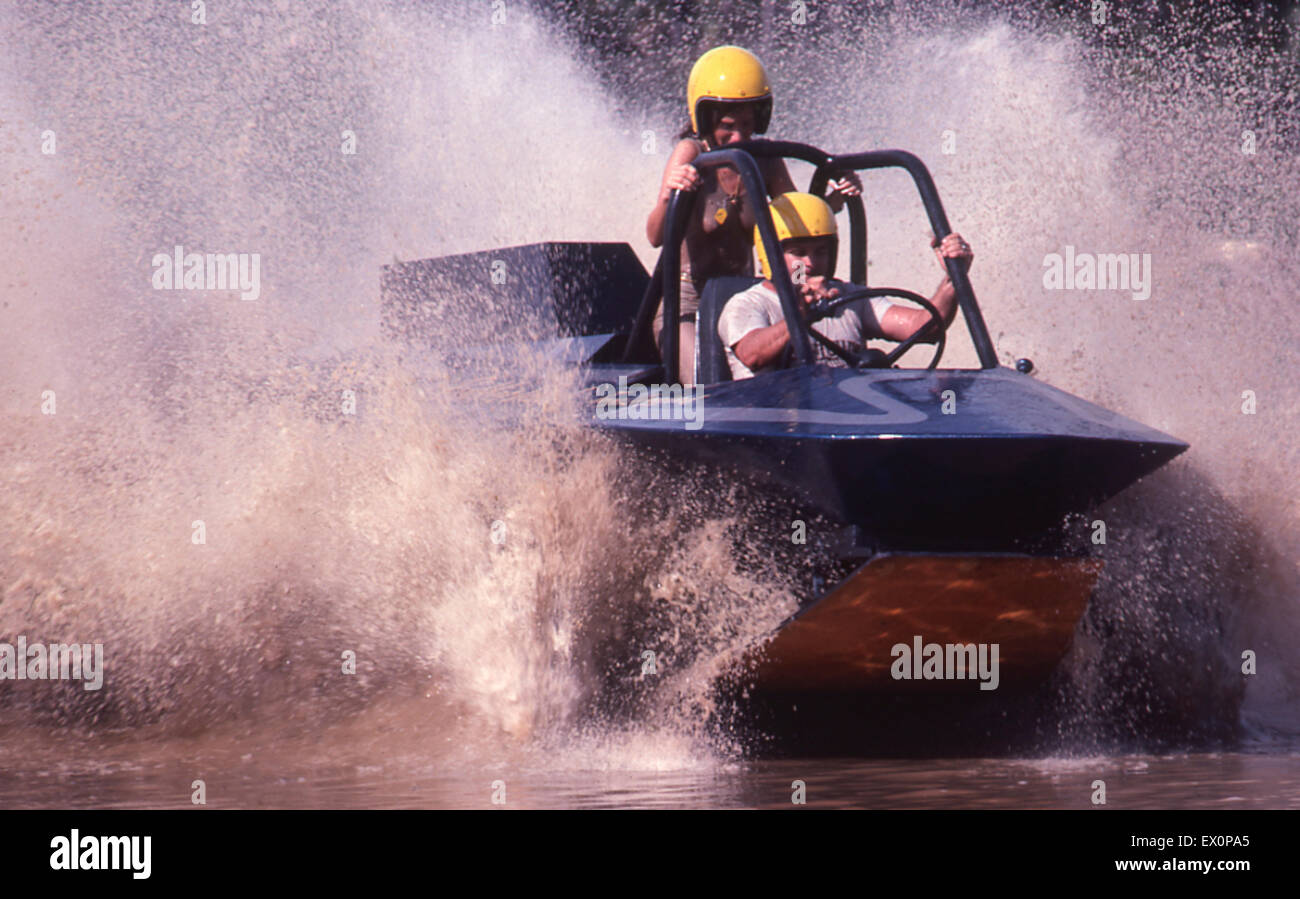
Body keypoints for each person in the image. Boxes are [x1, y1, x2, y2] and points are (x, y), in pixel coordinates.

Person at [646, 45, 860, 384]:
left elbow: (797, 222)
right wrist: (672, 195)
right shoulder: (690, 152)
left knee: (804, 368)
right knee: (709, 388)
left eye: (747, 125)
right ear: (703, 121)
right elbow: (656, 235)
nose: (740, 137)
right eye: (728, 127)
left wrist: (837, 197)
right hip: (685, 305)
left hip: (743, 297)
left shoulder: (765, 159)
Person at [718, 192, 973, 379]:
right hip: (777, 428)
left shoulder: (850, 297)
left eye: (820, 251)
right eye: (799, 252)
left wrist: (953, 278)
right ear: (770, 254)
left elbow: (925, 328)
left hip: (847, 426)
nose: (810, 263)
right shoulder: (747, 305)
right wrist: (801, 313)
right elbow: (752, 354)